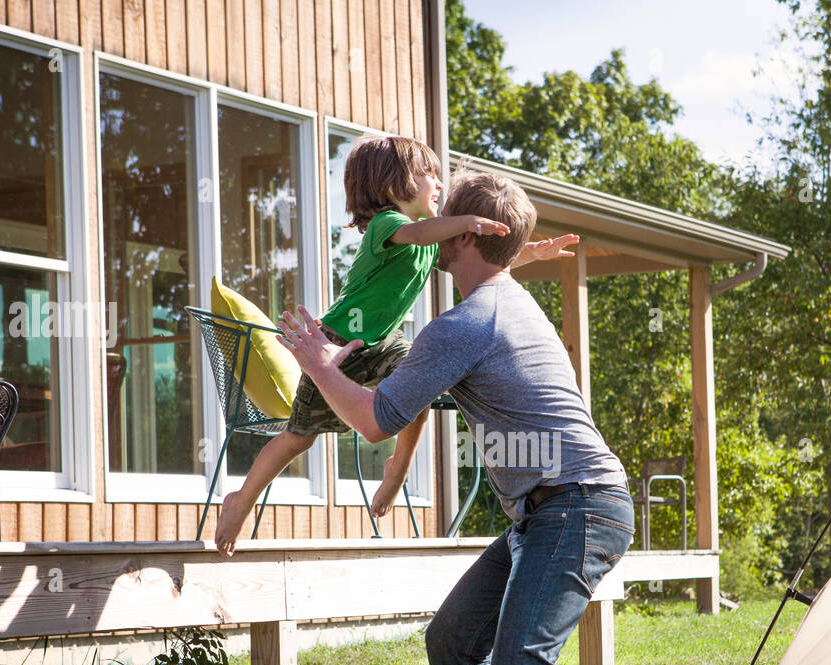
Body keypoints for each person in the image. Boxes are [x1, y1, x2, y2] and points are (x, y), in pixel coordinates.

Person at [275, 169, 682, 665]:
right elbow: (491, 253)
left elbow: (374, 421)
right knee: (455, 641)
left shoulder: (463, 325)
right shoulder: (505, 300)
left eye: (443, 224)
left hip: (575, 507)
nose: (424, 232)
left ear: (461, 238)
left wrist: (318, 362)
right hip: (550, 511)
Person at [214, 135, 576, 555]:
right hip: (338, 344)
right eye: (429, 176)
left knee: (418, 392)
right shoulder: (389, 225)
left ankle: (398, 466)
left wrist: (530, 252)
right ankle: (241, 499)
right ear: (393, 185)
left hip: (383, 340)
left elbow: (473, 251)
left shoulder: (433, 237)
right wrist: (465, 221)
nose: (438, 186)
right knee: (299, 437)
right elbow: (423, 232)